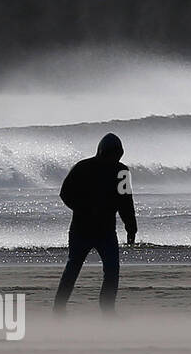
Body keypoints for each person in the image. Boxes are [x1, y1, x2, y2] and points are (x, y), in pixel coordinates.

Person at [54, 132, 137, 313]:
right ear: (102, 152)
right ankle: (59, 307)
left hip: (106, 231)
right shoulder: (83, 167)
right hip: (81, 229)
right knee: (73, 269)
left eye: (117, 154)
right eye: (111, 154)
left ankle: (107, 309)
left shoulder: (122, 172)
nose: (114, 158)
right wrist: (84, 209)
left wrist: (131, 227)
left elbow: (126, 202)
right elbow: (65, 193)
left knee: (112, 271)